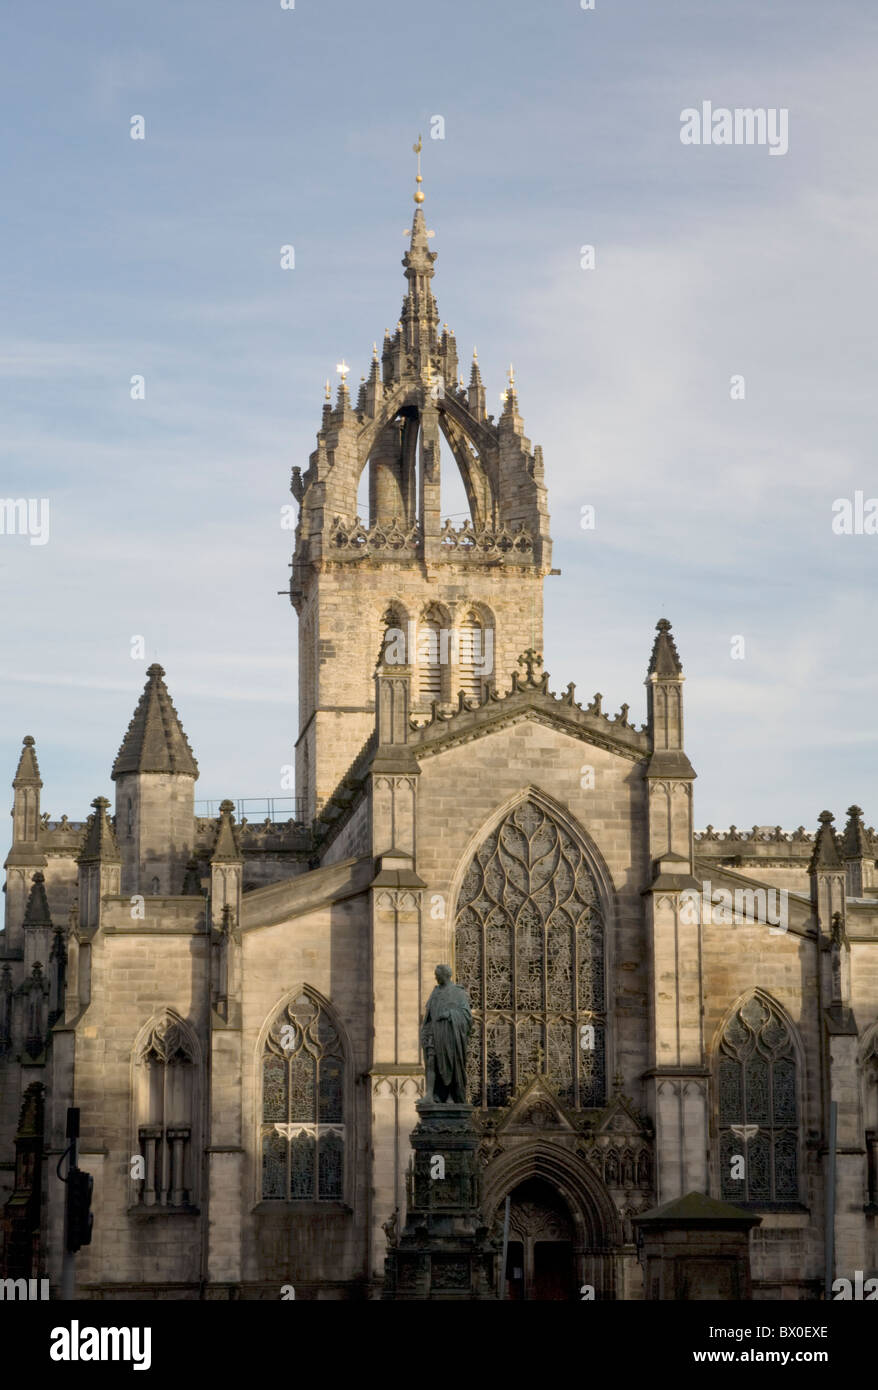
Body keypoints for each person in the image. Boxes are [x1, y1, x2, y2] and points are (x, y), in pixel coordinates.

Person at [420, 964, 472, 1103]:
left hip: (449, 1035)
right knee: (431, 1062)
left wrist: (450, 1014)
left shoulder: (458, 992)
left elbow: (466, 1015)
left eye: (437, 975)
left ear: (445, 975)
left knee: (449, 1064)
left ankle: (450, 1096)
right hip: (433, 1032)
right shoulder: (435, 992)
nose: (435, 977)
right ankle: (430, 1095)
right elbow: (429, 1014)